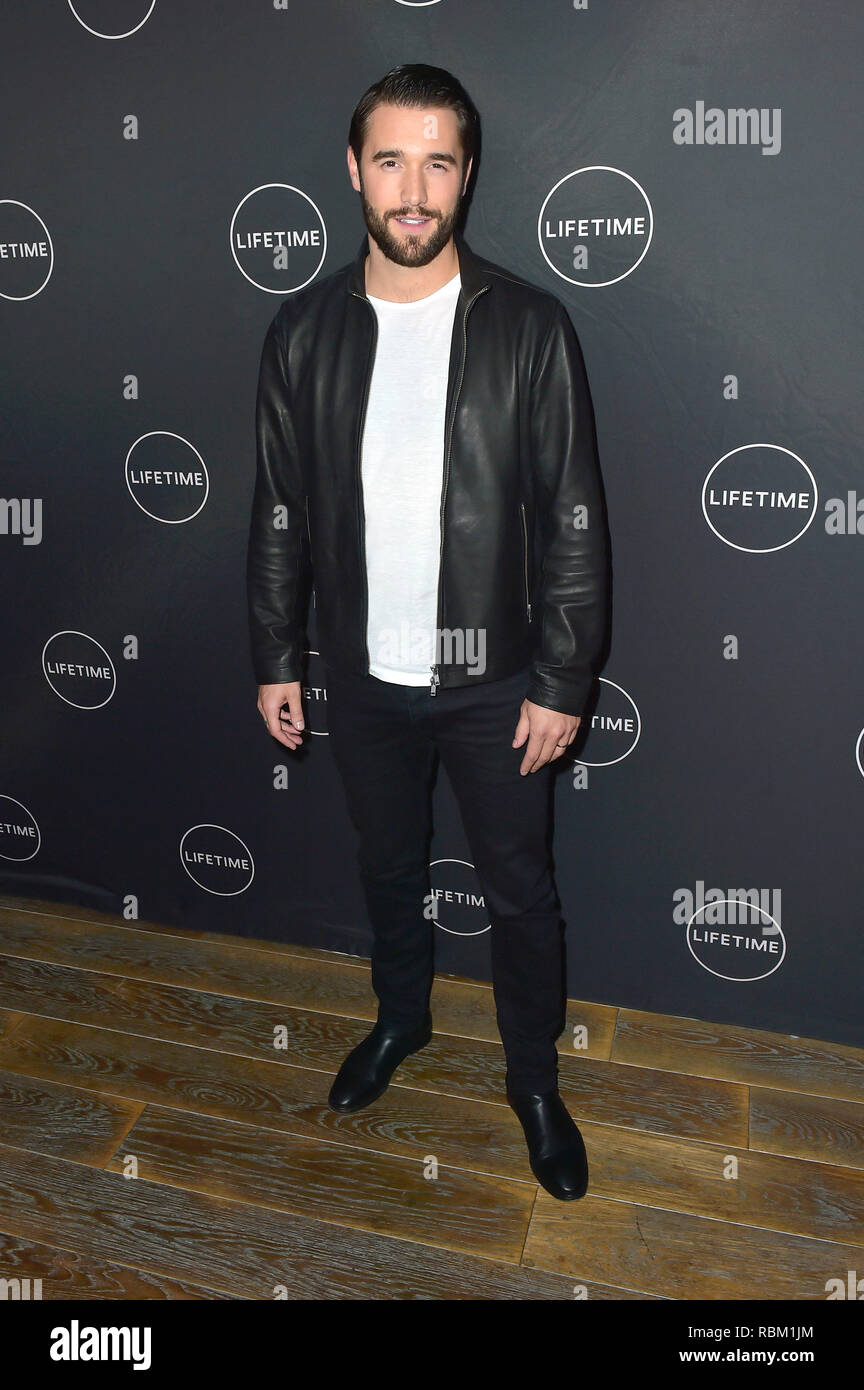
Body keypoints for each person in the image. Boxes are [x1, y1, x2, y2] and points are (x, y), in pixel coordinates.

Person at [246, 63, 610, 1201]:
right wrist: (274, 655)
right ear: (354, 172)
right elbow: (276, 513)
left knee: (520, 892)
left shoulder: (531, 327)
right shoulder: (302, 333)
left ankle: (534, 1083)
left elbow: (573, 519)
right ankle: (400, 1021)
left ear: (466, 177)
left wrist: (561, 677)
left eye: (436, 162)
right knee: (388, 870)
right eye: (390, 160)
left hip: (497, 679)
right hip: (363, 678)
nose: (413, 189)